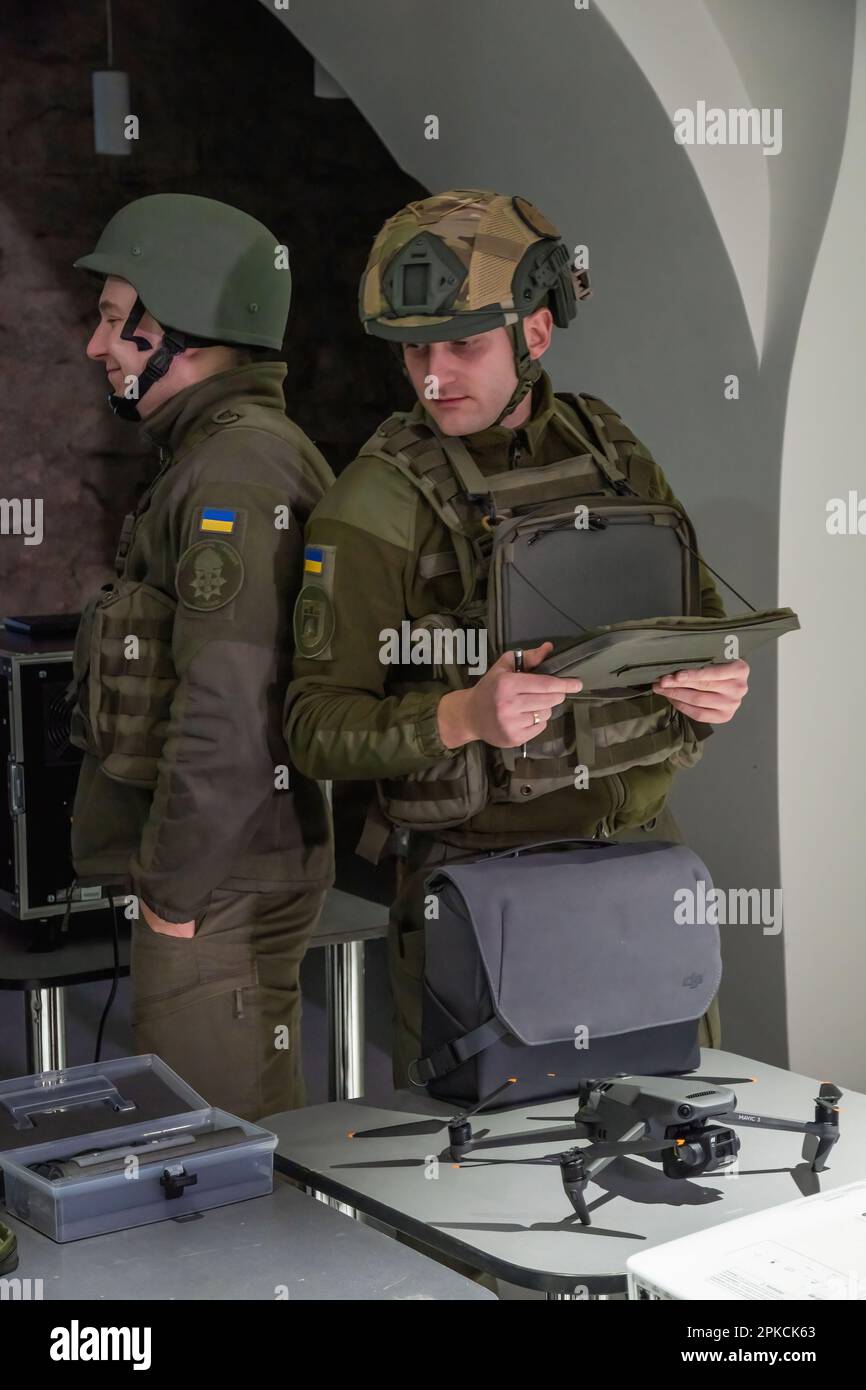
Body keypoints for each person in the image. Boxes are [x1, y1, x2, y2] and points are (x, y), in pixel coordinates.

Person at [285, 189, 749, 1087]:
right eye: (417, 348)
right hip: (482, 900)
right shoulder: (371, 506)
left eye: (464, 344)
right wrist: (459, 716)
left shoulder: (611, 449)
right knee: (495, 1193)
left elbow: (700, 633)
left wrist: (715, 685)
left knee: (680, 1152)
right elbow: (312, 728)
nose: (433, 374)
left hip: (642, 871)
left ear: (535, 335)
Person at [70, 193, 334, 1119]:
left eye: (113, 320)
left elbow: (229, 709)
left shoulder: (235, 468)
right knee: (233, 1163)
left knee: (218, 1185)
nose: (97, 345)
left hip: (215, 891)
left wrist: (171, 898)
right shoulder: (216, 455)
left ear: (177, 327)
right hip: (222, 880)